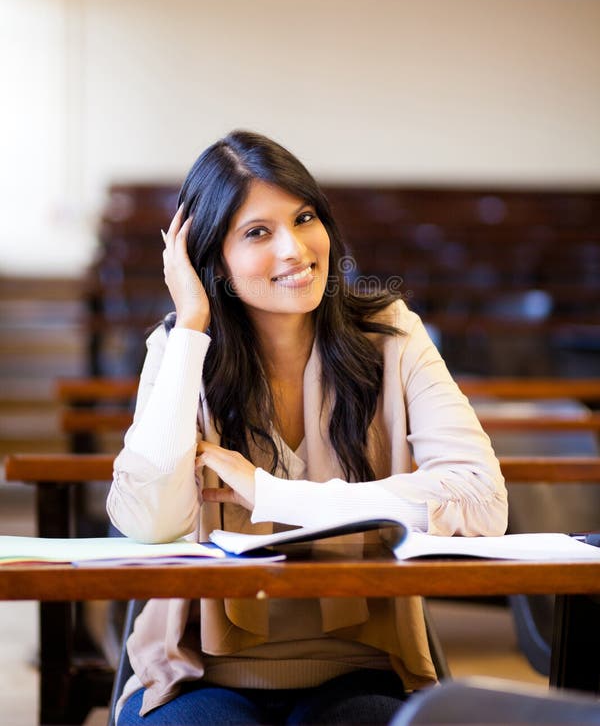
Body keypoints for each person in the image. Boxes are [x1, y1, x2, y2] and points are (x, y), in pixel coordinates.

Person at [107, 130, 508, 725]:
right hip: (199, 676)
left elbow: (481, 498)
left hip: (363, 671)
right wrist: (191, 324)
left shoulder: (393, 336)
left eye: (304, 217)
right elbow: (148, 523)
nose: (295, 249)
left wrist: (274, 494)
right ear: (211, 259)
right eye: (257, 232)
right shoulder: (180, 349)